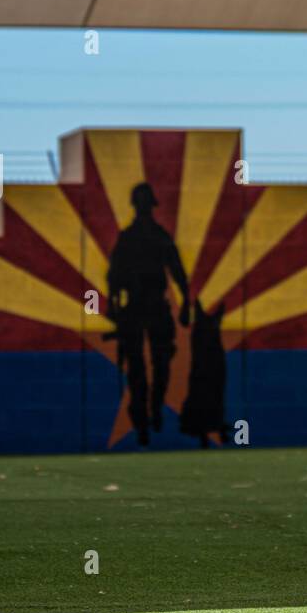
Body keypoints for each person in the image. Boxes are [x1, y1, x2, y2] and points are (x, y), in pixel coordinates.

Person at [106, 182, 191, 446]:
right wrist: (113, 305)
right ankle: (142, 420)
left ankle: (152, 410)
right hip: (135, 308)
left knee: (161, 362)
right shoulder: (129, 237)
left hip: (154, 306)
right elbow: (114, 276)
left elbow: (177, 271)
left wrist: (187, 302)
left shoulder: (157, 236)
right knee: (138, 370)